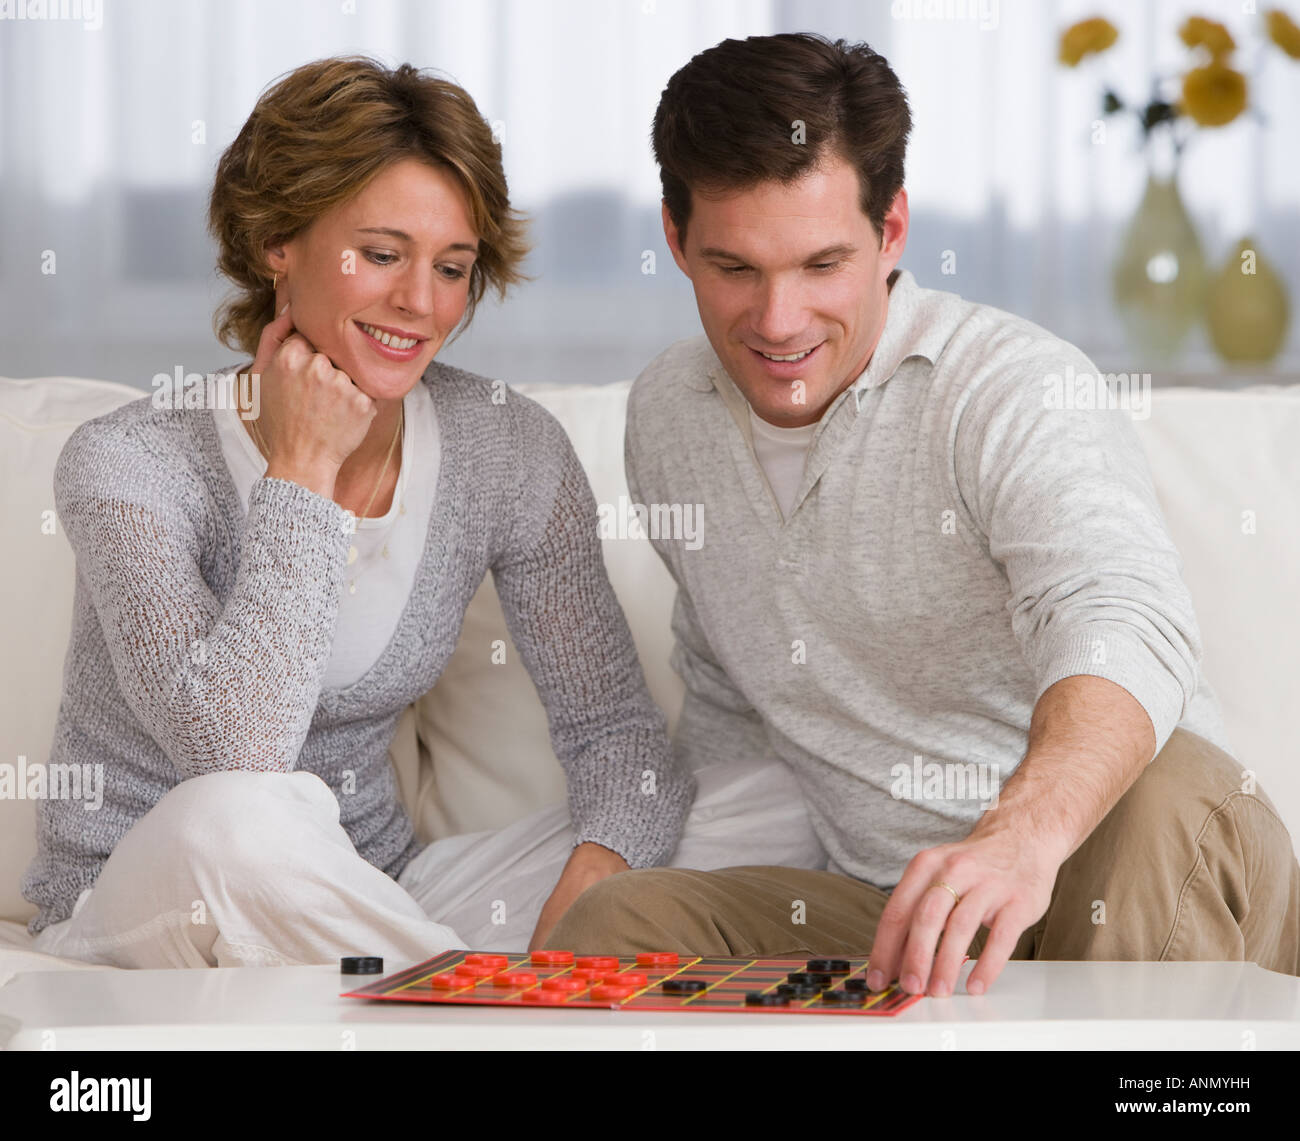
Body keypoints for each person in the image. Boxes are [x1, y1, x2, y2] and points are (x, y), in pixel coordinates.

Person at [541, 32, 1300, 994]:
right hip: (901, 906)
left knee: (1166, 793)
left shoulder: (1011, 388)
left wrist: (1017, 838)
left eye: (822, 264)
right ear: (675, 238)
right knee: (618, 923)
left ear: (892, 229)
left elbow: (1122, 616)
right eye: (735, 268)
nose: (778, 322)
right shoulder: (667, 415)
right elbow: (729, 686)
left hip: (1124, 861)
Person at [22, 55, 698, 967]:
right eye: (381, 255)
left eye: (452, 268)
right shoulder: (126, 463)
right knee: (234, 819)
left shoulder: (507, 447)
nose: (420, 304)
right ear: (278, 242)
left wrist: (599, 874)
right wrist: (303, 469)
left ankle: (445, 983)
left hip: (371, 893)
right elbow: (236, 752)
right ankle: (481, 1003)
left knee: (745, 798)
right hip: (153, 902)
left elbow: (614, 730)